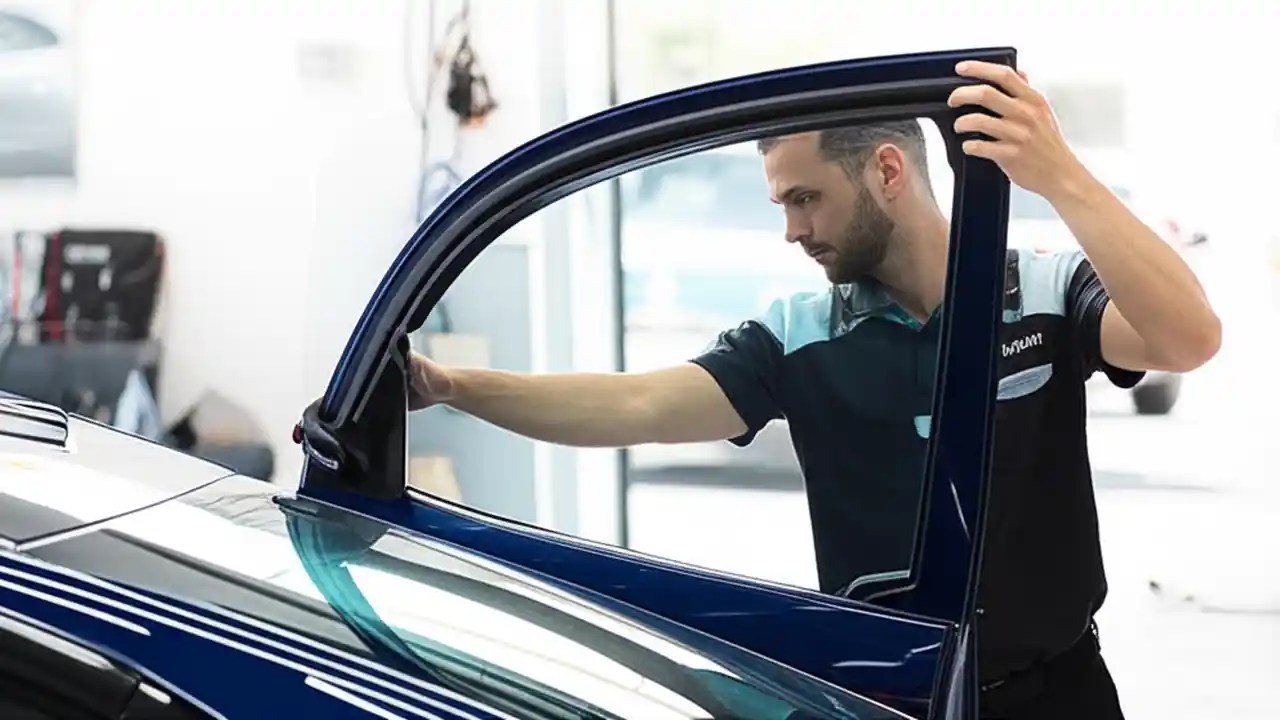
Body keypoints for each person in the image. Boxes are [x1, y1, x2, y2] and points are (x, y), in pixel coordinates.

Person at [403, 61, 1221, 719]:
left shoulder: (1042, 291)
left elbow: (1189, 339)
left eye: (806, 199)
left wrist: (1061, 175)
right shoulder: (798, 336)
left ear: (887, 171)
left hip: (1061, 695)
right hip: (888, 698)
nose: (792, 229)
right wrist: (453, 386)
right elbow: (637, 405)